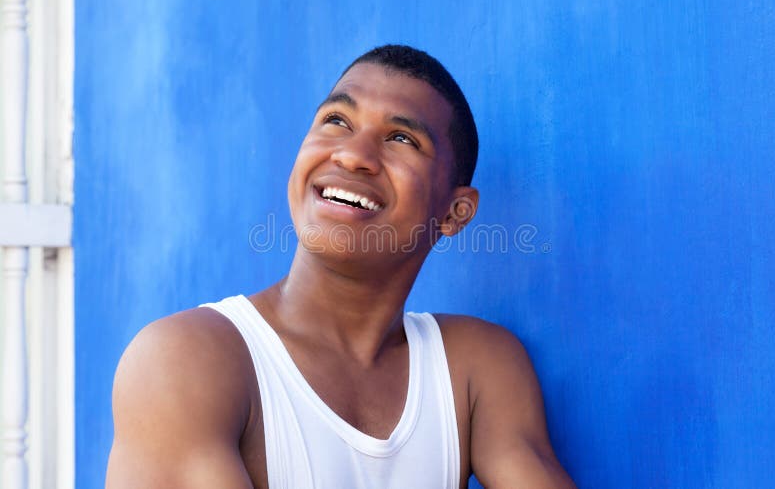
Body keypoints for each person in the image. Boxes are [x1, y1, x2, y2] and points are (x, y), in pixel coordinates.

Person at [106, 45, 575, 488]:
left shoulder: (477, 367)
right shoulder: (186, 360)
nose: (352, 154)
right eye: (336, 120)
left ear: (454, 213)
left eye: (400, 138)